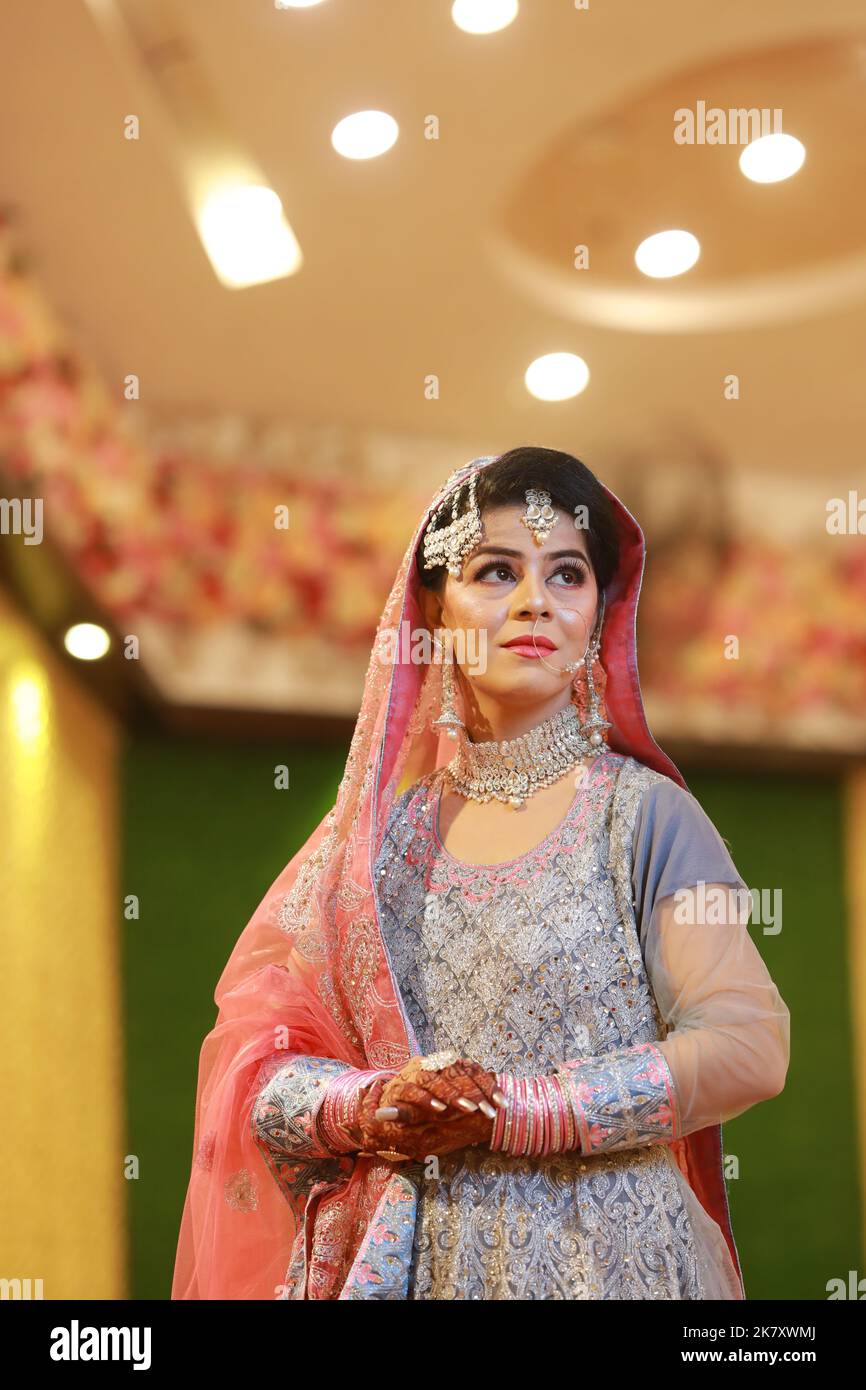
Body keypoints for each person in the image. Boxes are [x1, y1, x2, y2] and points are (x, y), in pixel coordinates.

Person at [171, 446, 790, 1300]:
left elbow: (750, 1046)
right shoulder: (372, 847)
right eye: (497, 571)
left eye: (567, 575)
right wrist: (378, 1104)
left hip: (608, 1256)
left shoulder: (647, 816)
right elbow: (262, 1075)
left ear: (598, 612)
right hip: (420, 1258)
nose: (536, 601)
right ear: (433, 606)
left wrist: (526, 1112)